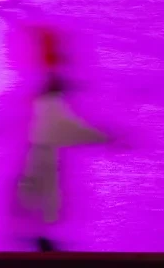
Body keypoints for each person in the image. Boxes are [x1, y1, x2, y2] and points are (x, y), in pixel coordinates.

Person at [15, 26, 109, 252]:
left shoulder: (42, 93)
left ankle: (39, 236)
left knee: (42, 196)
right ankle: (41, 240)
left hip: (40, 164)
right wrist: (107, 137)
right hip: (42, 165)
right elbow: (66, 130)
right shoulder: (48, 101)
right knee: (43, 196)